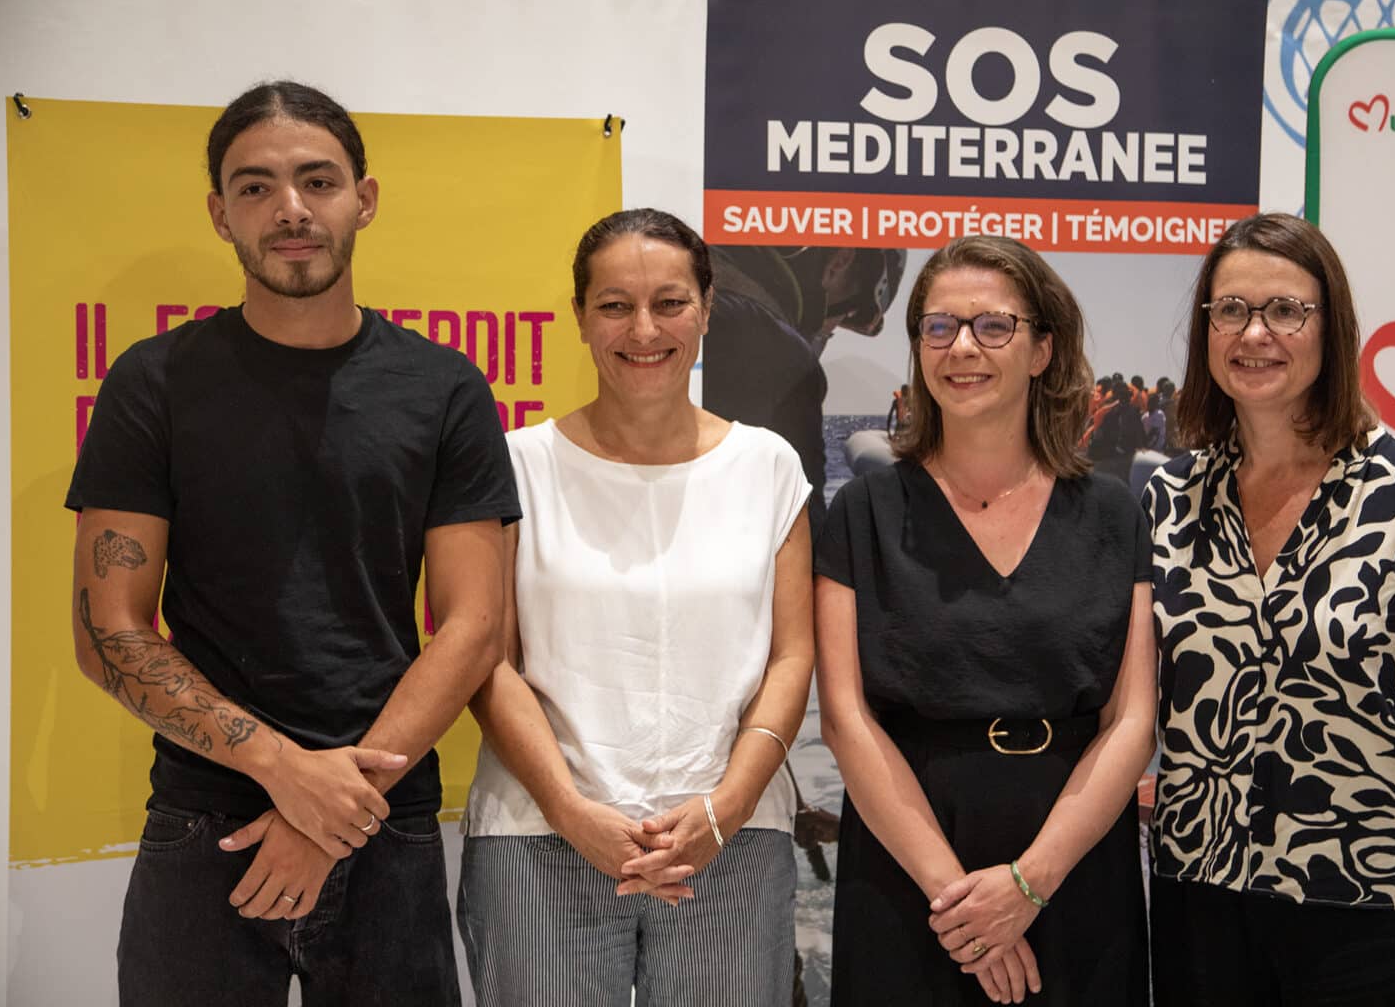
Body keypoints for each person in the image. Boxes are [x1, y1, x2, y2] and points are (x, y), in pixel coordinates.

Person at [65, 82, 517, 1005]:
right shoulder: (153, 384)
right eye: (257, 188)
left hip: (383, 822)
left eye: (317, 181)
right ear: (220, 214)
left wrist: (335, 810)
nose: (292, 211)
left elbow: (474, 624)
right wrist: (284, 773)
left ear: (365, 197)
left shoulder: (444, 389)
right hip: (207, 822)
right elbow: (107, 627)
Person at [1144, 212, 1395, 1006]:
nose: (1256, 333)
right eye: (1231, 310)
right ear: (1206, 330)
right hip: (1205, 897)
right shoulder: (1166, 501)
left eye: (1286, 309)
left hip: (1381, 909)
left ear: (1331, 327)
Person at [458, 209, 814, 1006]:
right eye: (614, 304)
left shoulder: (767, 466)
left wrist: (727, 805)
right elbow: (488, 658)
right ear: (580, 317)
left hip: (731, 839)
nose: (643, 329)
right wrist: (569, 809)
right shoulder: (515, 464)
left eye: (670, 302)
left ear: (708, 308)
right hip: (538, 837)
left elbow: (792, 656)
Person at [816, 235, 1156, 1005]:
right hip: (910, 870)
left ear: (1041, 349)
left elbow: (1132, 719)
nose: (962, 347)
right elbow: (844, 717)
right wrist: (960, 905)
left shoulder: (1112, 515)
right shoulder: (864, 511)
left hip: (1071, 864)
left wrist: (1028, 886)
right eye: (939, 327)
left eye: (992, 326)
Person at [703, 244, 906, 536]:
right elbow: (803, 530)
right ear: (841, 259)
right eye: (852, 309)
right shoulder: (784, 357)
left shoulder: (692, 293)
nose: (834, 325)